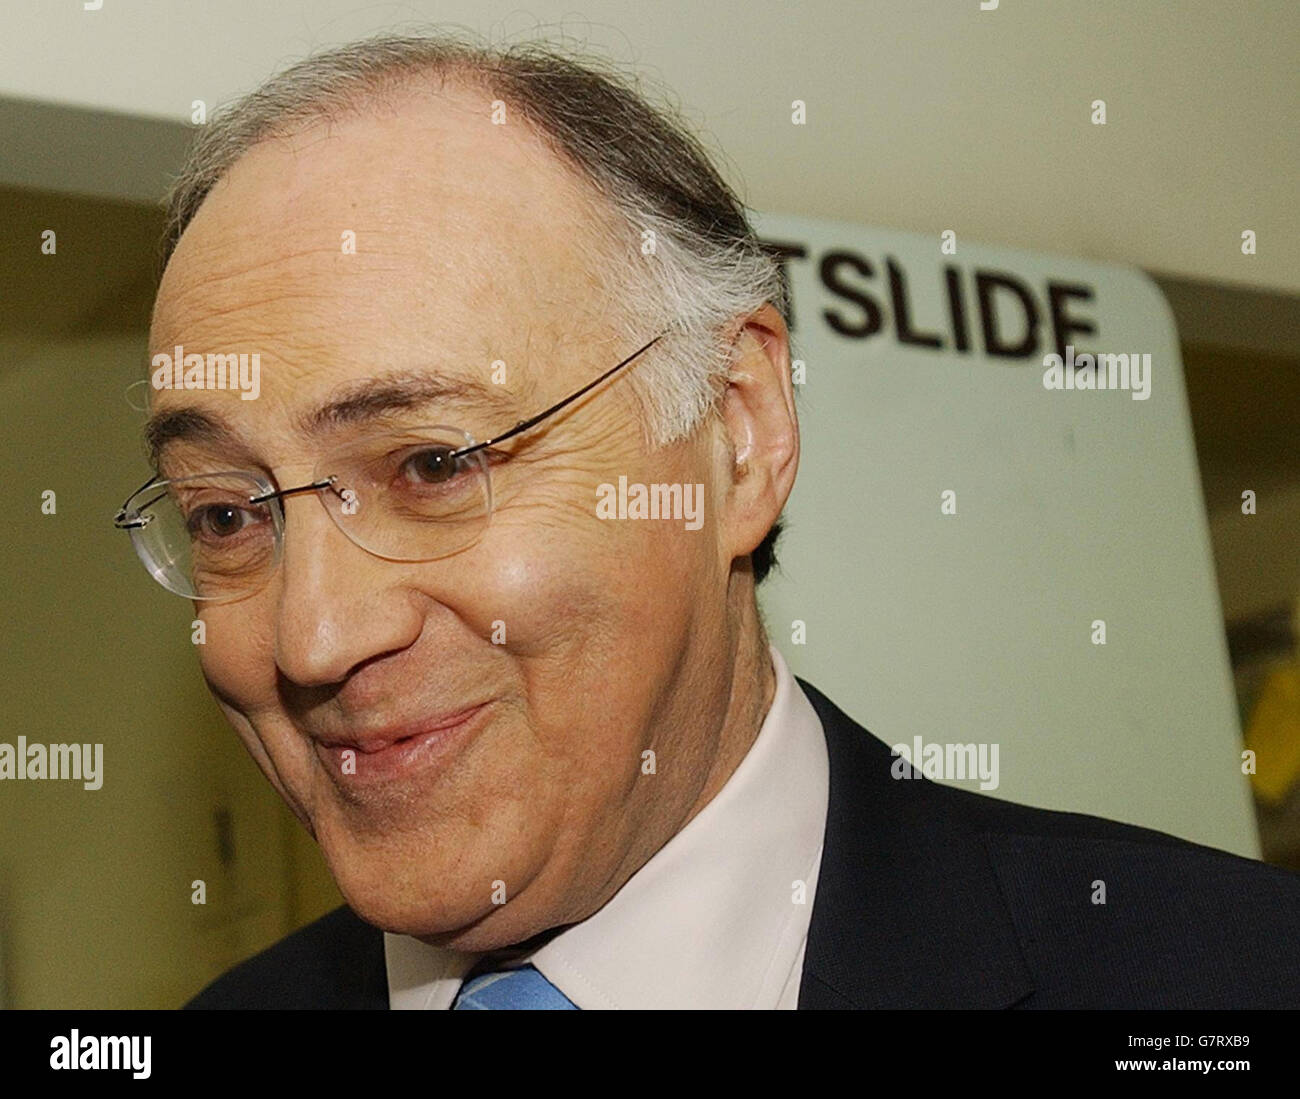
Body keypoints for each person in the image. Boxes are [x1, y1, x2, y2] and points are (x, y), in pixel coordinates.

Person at [115, 32, 1300, 1009]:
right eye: (226, 515)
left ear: (737, 434)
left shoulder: (1226, 977)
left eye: (431, 463)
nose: (313, 636)